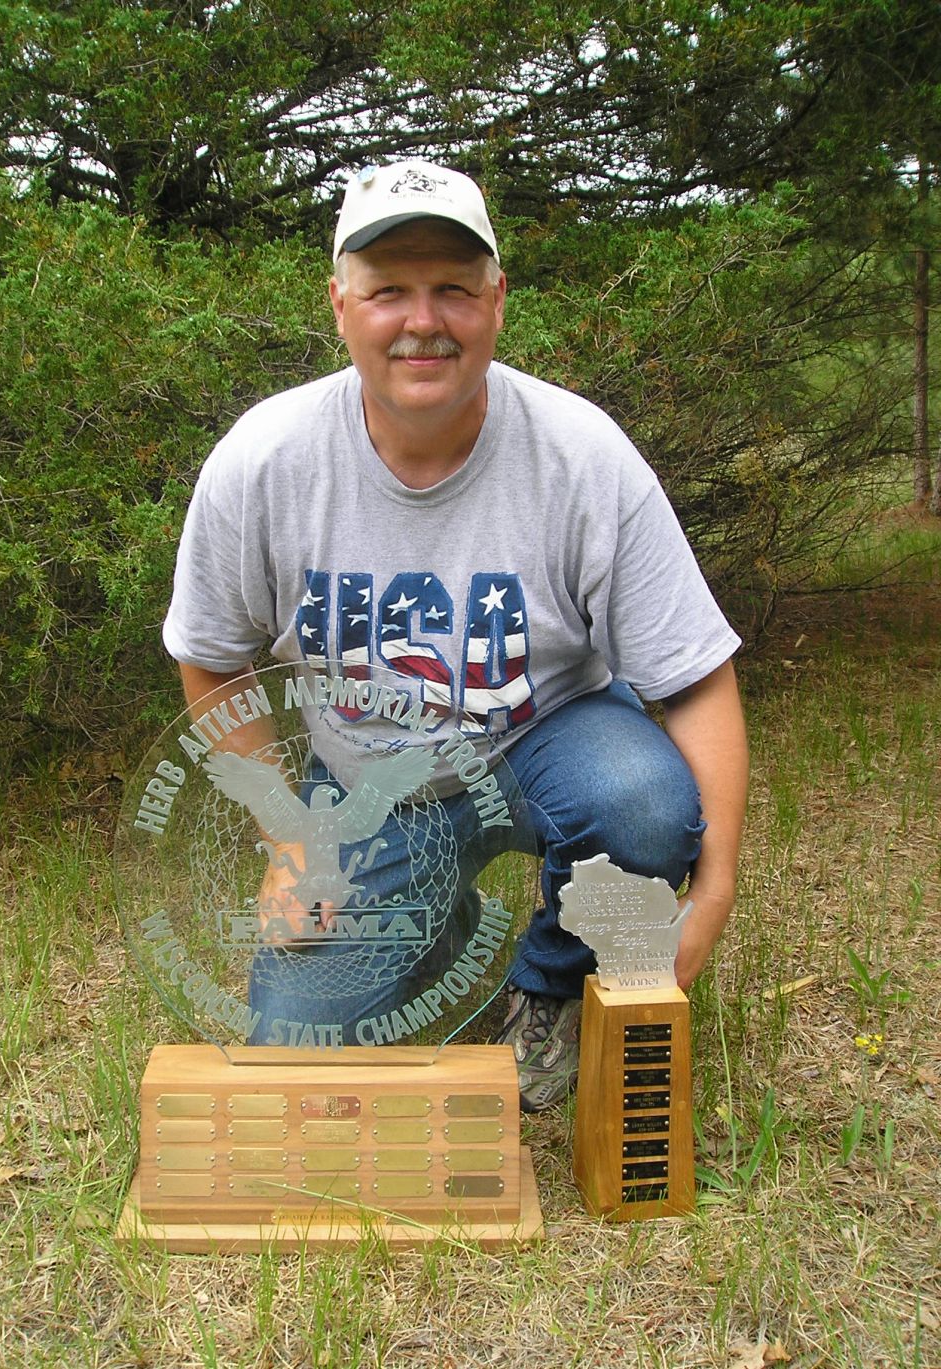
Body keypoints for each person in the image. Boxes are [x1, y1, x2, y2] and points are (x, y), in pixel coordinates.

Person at [163, 159, 749, 1110]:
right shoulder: (263, 462)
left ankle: (548, 986)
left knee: (642, 802)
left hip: (546, 745)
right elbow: (212, 655)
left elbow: (694, 679)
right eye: (389, 289)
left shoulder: (581, 454)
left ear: (497, 301)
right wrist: (287, 835)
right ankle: (433, 915)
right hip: (369, 787)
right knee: (301, 1066)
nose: (422, 320)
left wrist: (713, 888)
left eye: (451, 288)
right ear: (341, 305)